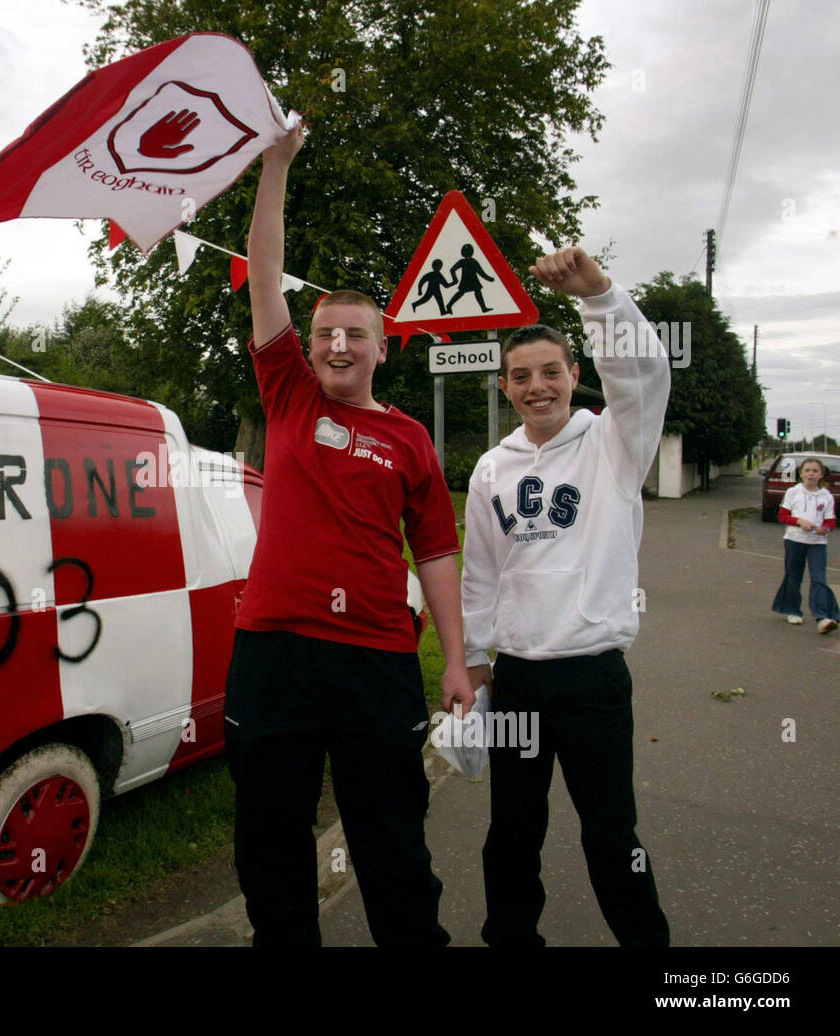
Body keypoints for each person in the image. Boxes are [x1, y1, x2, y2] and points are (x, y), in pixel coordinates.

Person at [224, 122, 473, 947]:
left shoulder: (408, 440)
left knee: (392, 841)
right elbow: (264, 274)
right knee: (270, 839)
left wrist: (459, 660)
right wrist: (275, 167)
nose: (336, 342)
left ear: (380, 350)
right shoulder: (289, 395)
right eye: (325, 330)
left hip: (375, 657)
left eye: (355, 334)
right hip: (274, 652)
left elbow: (436, 549)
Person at [461, 246, 671, 947]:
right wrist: (471, 658)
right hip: (518, 678)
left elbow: (643, 377)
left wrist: (600, 297)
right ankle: (511, 938)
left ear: (575, 376)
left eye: (551, 372)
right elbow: (481, 570)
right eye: (521, 376)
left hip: (593, 680)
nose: (537, 386)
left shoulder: (615, 444)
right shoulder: (492, 468)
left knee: (612, 834)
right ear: (505, 389)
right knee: (511, 832)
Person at [771, 456, 838, 633]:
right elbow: (782, 516)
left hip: (817, 543)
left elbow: (830, 521)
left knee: (819, 578)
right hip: (794, 540)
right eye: (807, 470)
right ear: (801, 473)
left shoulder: (826, 496)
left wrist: (825, 529)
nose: (811, 474)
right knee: (793, 575)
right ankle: (792, 610)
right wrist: (799, 521)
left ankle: (822, 616)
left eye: (815, 471)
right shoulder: (794, 492)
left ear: (821, 475)